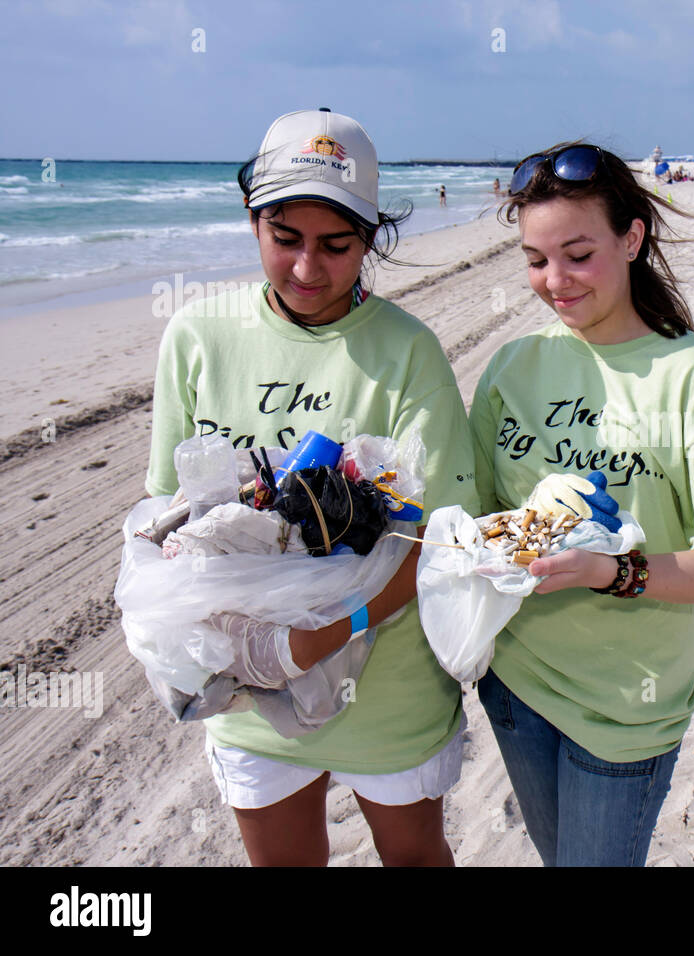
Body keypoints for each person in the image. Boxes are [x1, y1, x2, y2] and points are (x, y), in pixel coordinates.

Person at [145, 108, 480, 865]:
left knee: (415, 855)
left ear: (371, 238)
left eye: (337, 245)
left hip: (387, 678)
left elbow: (437, 533)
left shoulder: (408, 353)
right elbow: (165, 512)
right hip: (248, 685)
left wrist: (316, 638)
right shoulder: (197, 338)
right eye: (283, 239)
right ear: (250, 218)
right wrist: (252, 650)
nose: (307, 268)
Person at [470, 142, 694, 866]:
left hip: (627, 710)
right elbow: (473, 517)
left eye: (577, 255)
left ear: (632, 238)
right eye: (536, 260)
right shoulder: (514, 366)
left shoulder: (687, 374)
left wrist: (608, 570)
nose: (555, 281)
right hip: (516, 685)